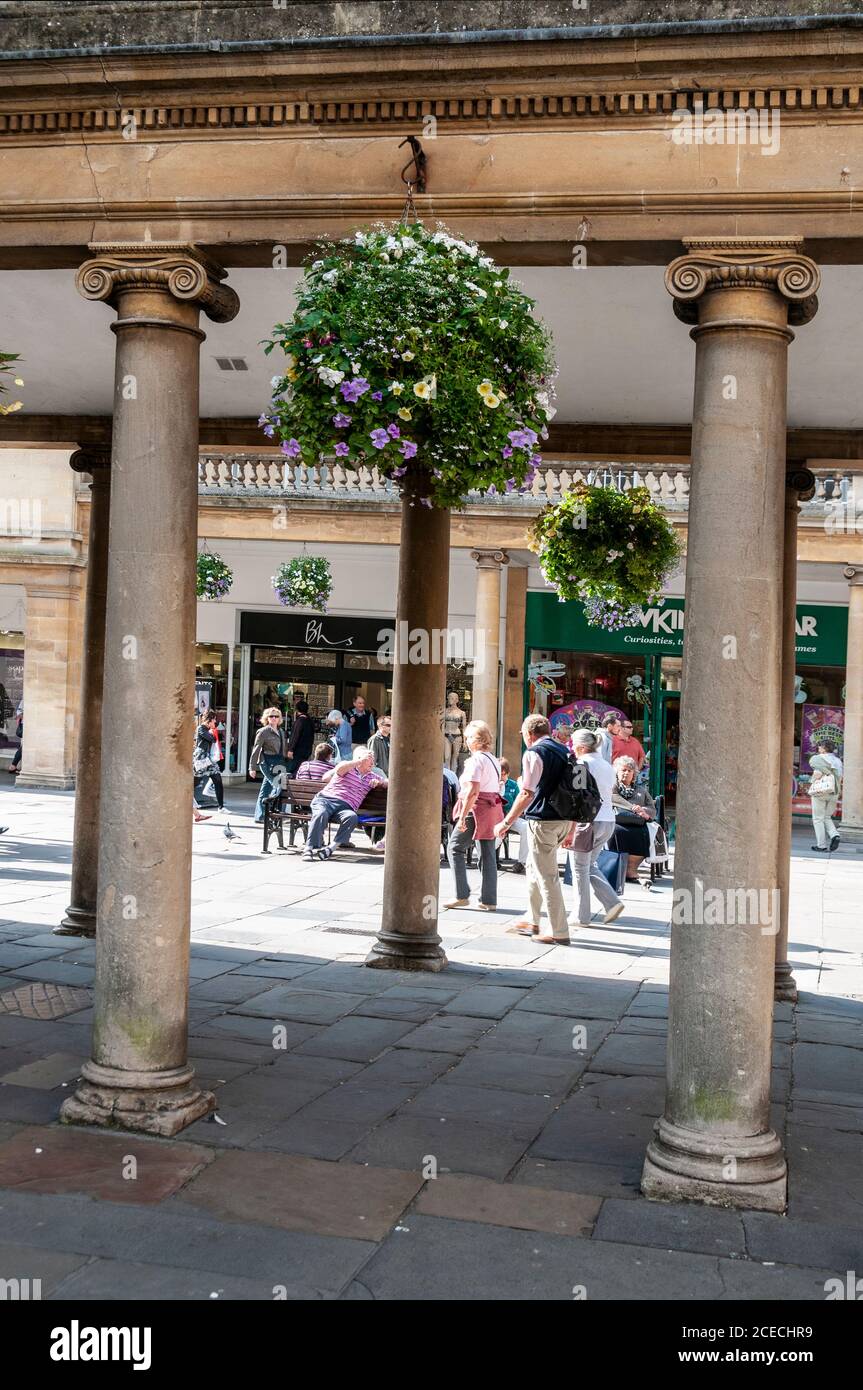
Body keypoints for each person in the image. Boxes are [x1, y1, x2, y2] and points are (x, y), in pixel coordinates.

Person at [494, 713, 573, 945]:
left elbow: (526, 792)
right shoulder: (563, 750)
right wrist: (573, 827)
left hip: (544, 820)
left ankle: (559, 930)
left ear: (529, 734)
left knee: (547, 876)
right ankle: (532, 918)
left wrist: (506, 822)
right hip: (563, 819)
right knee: (532, 867)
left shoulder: (534, 753)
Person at [566, 728, 625, 927]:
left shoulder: (582, 764)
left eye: (574, 744)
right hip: (607, 820)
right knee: (588, 865)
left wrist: (571, 824)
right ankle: (612, 903)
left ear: (582, 747)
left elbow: (577, 795)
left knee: (579, 868)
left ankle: (581, 915)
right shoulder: (606, 765)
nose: (572, 748)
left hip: (587, 821)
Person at [445, 720, 502, 911]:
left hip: (475, 809)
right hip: (491, 808)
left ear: (476, 740)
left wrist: (462, 816)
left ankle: (461, 894)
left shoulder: (475, 760)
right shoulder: (493, 759)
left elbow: (473, 790)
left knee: (454, 848)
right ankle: (489, 899)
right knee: (487, 853)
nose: (466, 741)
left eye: (469, 737)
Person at [303, 745, 387, 861]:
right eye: (369, 759)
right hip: (326, 800)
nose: (372, 762)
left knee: (352, 817)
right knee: (320, 814)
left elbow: (390, 782)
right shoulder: (348, 767)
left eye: (373, 759)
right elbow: (339, 769)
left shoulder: (371, 777)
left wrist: (380, 783)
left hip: (346, 807)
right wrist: (358, 761)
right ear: (359, 759)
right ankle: (309, 848)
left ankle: (330, 848)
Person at [610, 754, 656, 881]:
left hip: (638, 822)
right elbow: (613, 798)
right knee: (618, 831)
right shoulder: (612, 787)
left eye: (629, 771)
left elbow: (652, 808)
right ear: (617, 772)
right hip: (617, 821)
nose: (626, 773)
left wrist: (644, 811)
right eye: (623, 770)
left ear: (634, 774)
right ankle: (618, 867)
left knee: (643, 834)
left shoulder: (641, 790)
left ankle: (631, 869)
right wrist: (632, 807)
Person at [249, 706, 288, 824]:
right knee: (279, 787)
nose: (274, 718)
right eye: (271, 716)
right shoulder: (263, 732)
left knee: (266, 790)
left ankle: (260, 816)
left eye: (276, 716)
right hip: (267, 762)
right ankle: (276, 814)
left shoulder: (281, 731)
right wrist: (252, 767)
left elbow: (283, 749)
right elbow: (256, 750)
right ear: (267, 718)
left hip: (279, 762)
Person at [809, 740, 843, 852]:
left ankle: (821, 845)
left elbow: (818, 774)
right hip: (834, 792)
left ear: (824, 748)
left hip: (821, 791)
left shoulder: (818, 759)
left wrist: (811, 781)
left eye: (820, 747)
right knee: (827, 816)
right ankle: (834, 835)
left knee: (818, 818)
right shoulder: (838, 761)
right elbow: (840, 777)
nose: (818, 749)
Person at [499, 757, 528, 873]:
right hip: (497, 818)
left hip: (512, 818)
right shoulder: (492, 785)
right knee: (495, 836)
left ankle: (521, 861)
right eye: (499, 774)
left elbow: (519, 803)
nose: (501, 777)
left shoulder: (513, 785)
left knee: (526, 827)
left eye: (503, 774)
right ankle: (490, 859)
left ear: (507, 773)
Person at [193, 710, 224, 811]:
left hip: (210, 759)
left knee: (218, 779)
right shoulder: (201, 728)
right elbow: (211, 739)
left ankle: (221, 807)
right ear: (209, 720)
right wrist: (212, 732)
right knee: (196, 782)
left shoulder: (210, 729)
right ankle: (184, 799)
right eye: (214, 720)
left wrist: (213, 732)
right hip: (201, 758)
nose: (215, 722)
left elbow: (216, 739)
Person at [286, 698, 314, 774]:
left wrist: (291, 749)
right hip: (307, 750)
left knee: (292, 770)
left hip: (297, 751)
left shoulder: (299, 721)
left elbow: (295, 736)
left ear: (297, 710)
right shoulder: (310, 721)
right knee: (301, 770)